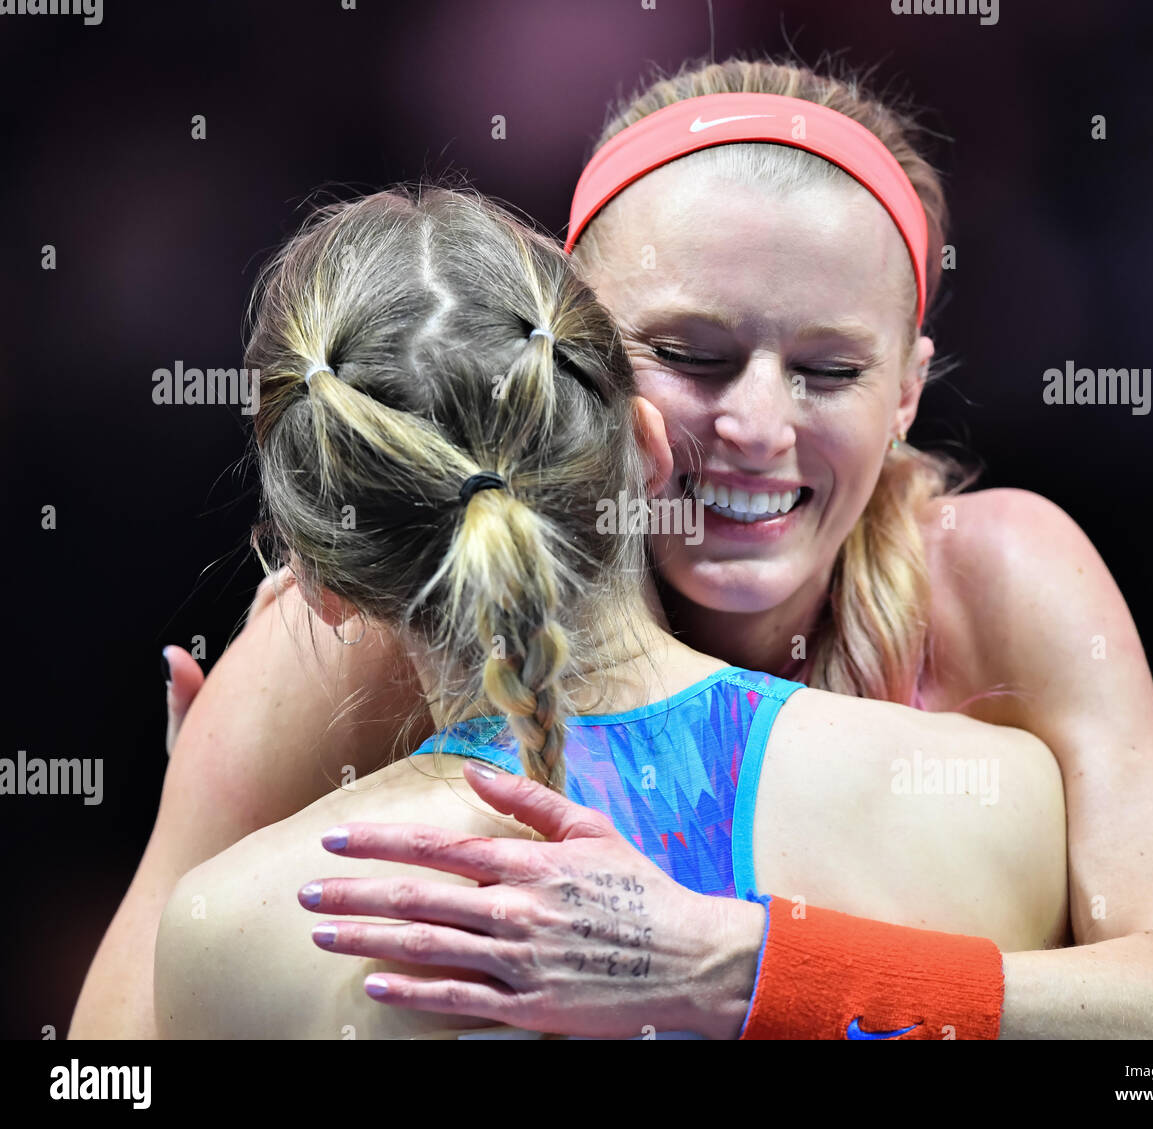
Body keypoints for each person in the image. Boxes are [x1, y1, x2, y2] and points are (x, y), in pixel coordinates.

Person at [75, 56, 1153, 1039]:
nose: (756, 428)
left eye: (829, 370)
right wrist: (212, 836)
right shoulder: (368, 629)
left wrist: (745, 965)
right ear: (581, 369)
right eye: (693, 357)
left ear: (910, 393)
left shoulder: (991, 580)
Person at [154, 184, 1066, 1039]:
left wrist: (212, 815)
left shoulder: (237, 928)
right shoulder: (993, 802)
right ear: (649, 447)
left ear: (319, 574)